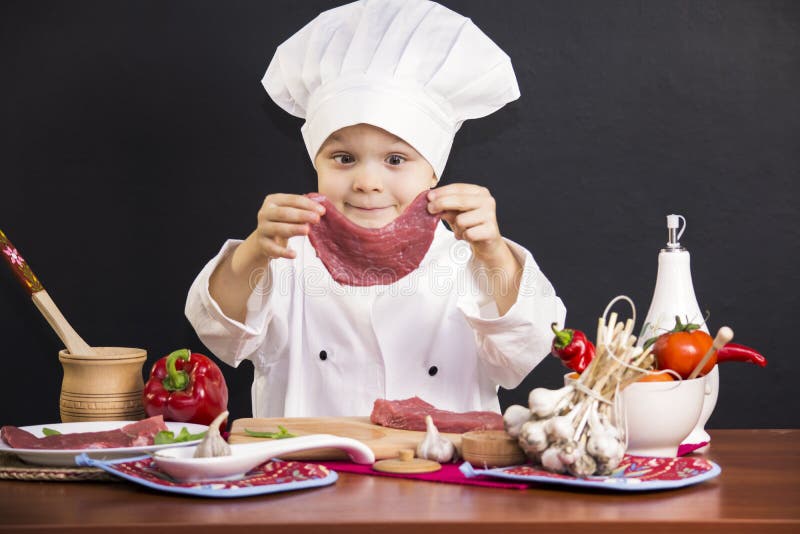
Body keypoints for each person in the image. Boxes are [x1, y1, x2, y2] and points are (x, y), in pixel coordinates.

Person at [185, 0, 566, 418]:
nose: (367, 181)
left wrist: (493, 251)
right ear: (315, 163)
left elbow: (530, 345)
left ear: (433, 171)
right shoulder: (288, 257)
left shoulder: (467, 259)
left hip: (441, 478)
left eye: (396, 160)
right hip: (309, 474)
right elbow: (219, 330)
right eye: (344, 158)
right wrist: (256, 248)